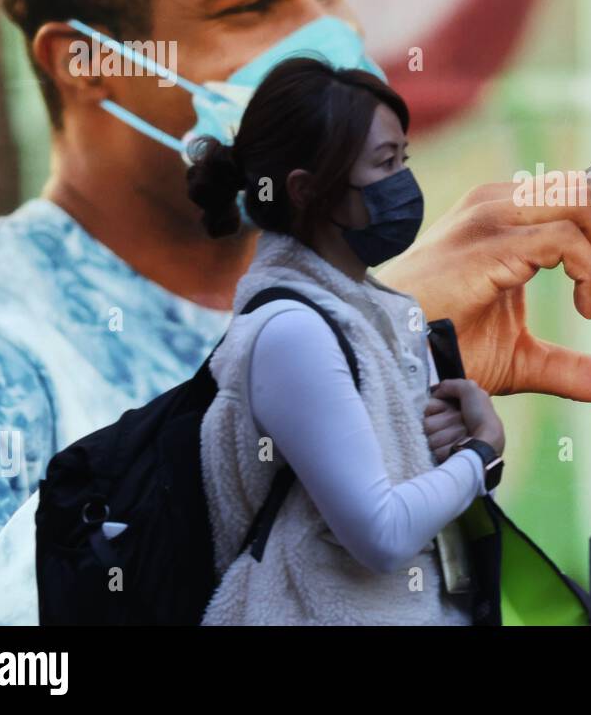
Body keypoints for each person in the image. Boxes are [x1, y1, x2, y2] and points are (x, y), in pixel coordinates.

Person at [0, 0, 591, 625]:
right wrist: (334, 342)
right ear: (88, 64)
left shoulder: (371, 301)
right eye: (251, 4)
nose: (330, 43)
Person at [186, 58, 500, 625]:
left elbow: (428, 508)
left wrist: (462, 440)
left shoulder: (381, 317)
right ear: (308, 190)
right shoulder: (292, 333)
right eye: (384, 164)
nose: (405, 184)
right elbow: (382, 534)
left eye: (405, 159)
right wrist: (481, 454)